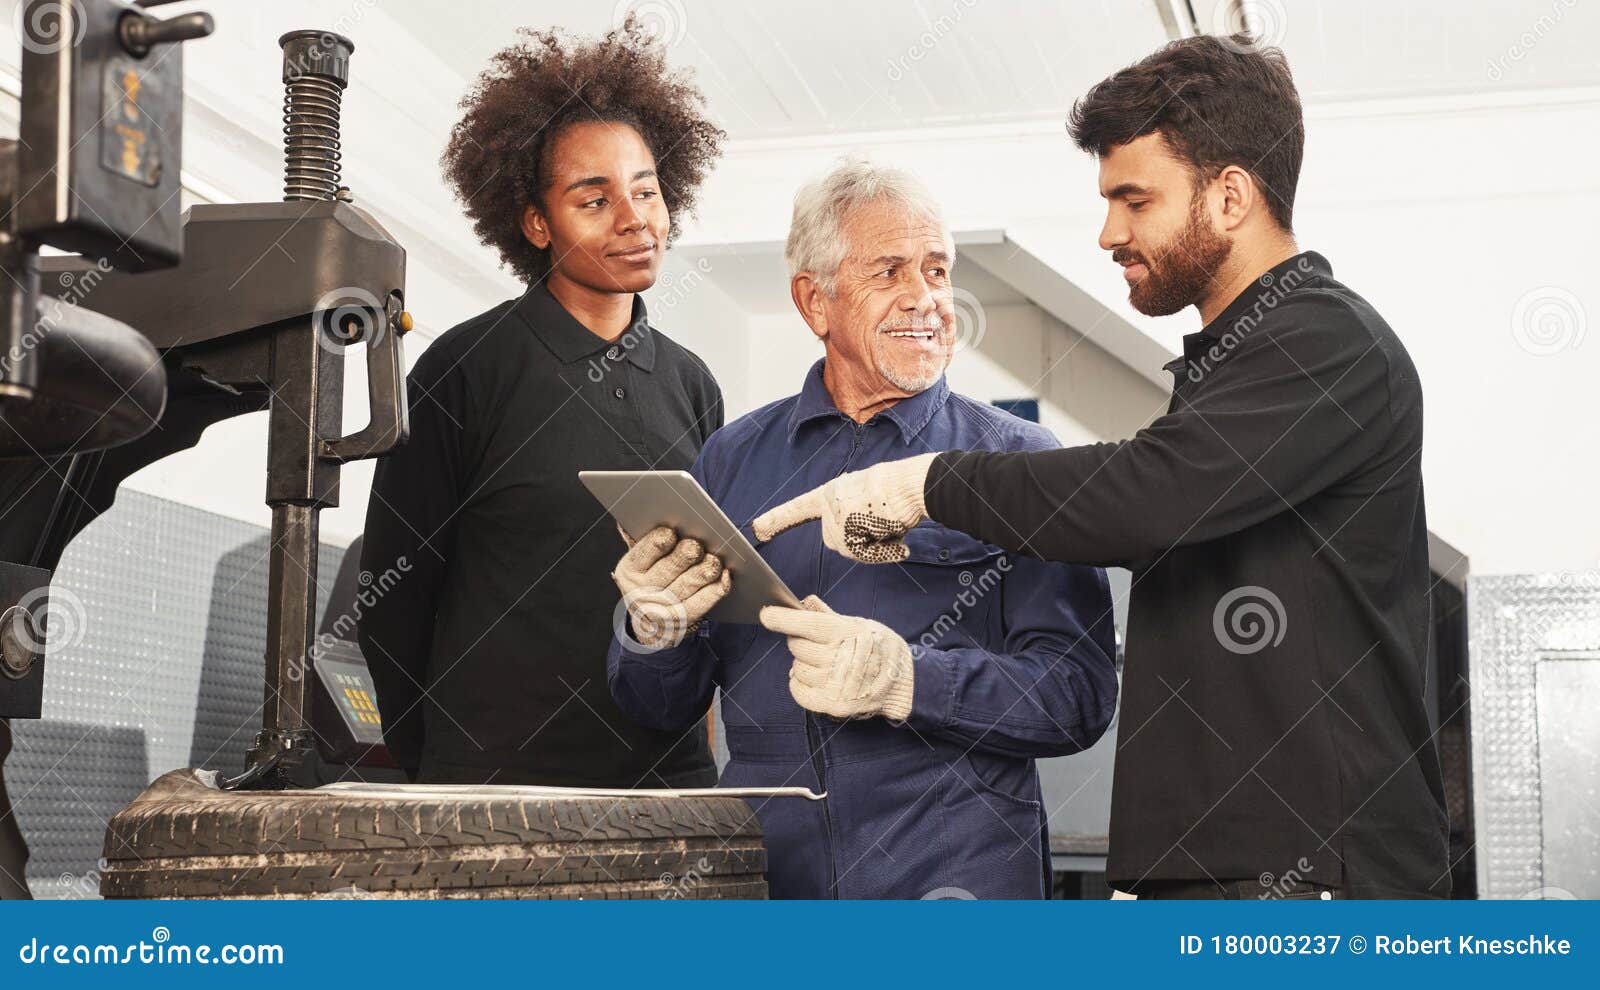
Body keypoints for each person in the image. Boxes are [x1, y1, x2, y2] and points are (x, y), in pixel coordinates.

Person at [753, 36, 1450, 899]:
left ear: (1230, 196)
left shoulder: (1325, 342)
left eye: (1134, 199)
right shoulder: (1232, 369)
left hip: (1315, 877)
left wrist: (926, 487)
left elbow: (1142, 496)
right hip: (1224, 873)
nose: (1109, 232)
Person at [605, 160, 1118, 899]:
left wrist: (908, 679)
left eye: (938, 271)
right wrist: (654, 629)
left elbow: (1078, 697)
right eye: (891, 271)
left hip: (956, 882)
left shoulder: (1019, 462)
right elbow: (657, 709)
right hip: (770, 883)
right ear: (816, 301)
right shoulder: (732, 458)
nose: (929, 300)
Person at [357, 20, 726, 787]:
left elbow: (705, 604)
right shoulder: (464, 368)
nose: (634, 219)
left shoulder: (694, 386)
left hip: (668, 789)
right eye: (594, 200)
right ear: (535, 222)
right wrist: (438, 774)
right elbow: (393, 598)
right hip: (499, 791)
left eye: (646, 192)